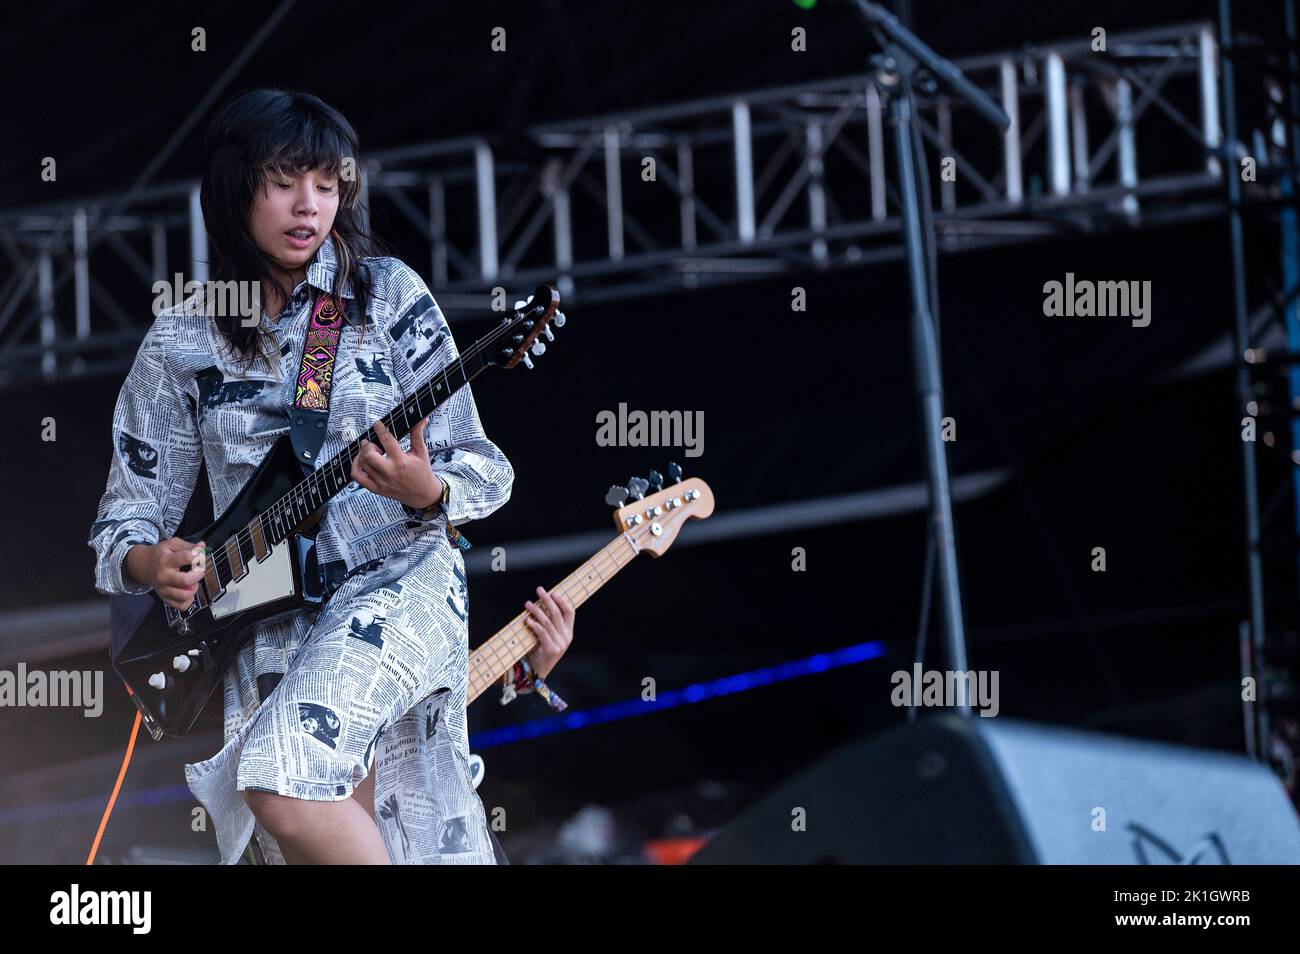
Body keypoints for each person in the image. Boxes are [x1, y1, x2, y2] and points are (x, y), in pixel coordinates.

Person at [87, 88, 572, 864]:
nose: (308, 205)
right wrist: (154, 564)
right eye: (283, 181)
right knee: (318, 837)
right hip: (265, 624)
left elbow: (483, 465)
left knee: (284, 778)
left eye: (326, 183)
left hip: (398, 580)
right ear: (234, 187)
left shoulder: (387, 296)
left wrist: (429, 491)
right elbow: (125, 521)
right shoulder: (182, 338)